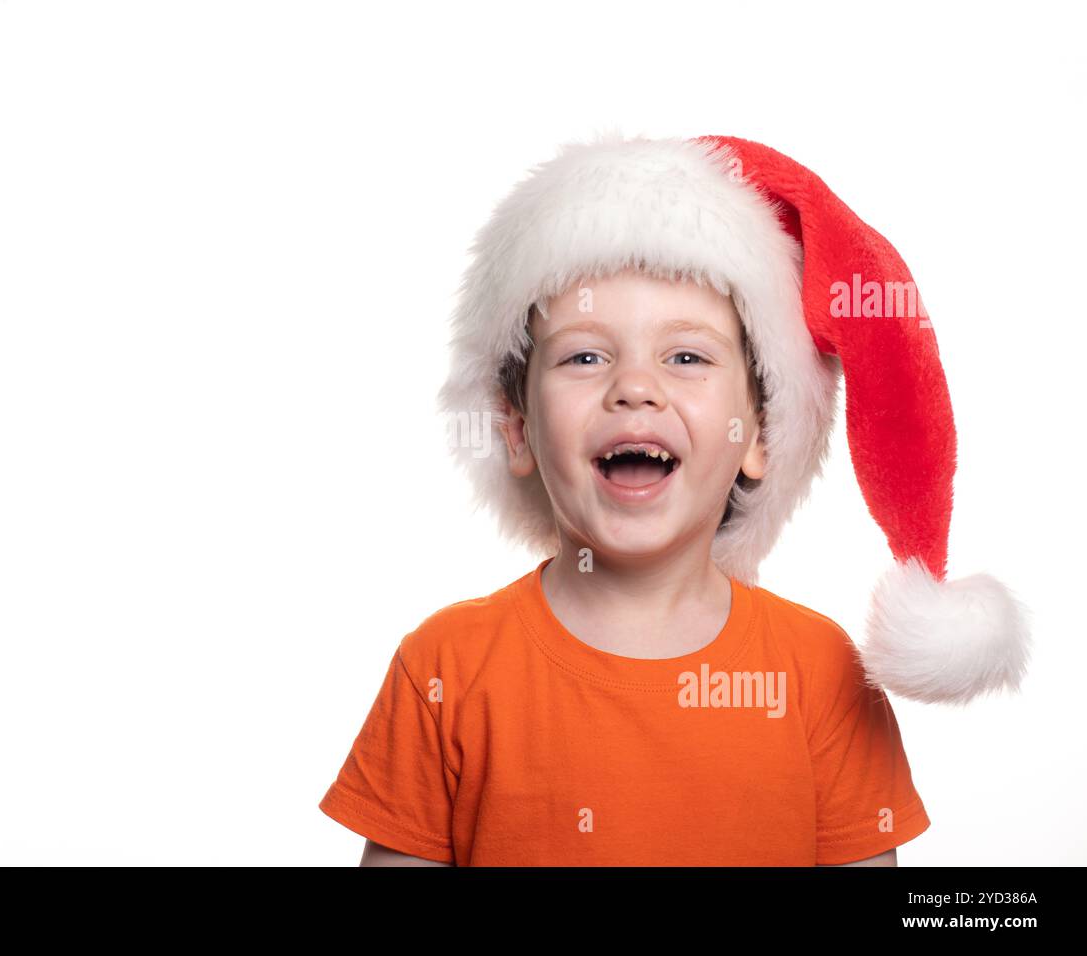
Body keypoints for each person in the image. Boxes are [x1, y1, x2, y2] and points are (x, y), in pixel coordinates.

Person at [318, 132, 1031, 866]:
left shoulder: (819, 672)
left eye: (687, 356)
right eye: (584, 355)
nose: (635, 386)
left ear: (761, 437)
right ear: (518, 430)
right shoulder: (445, 667)